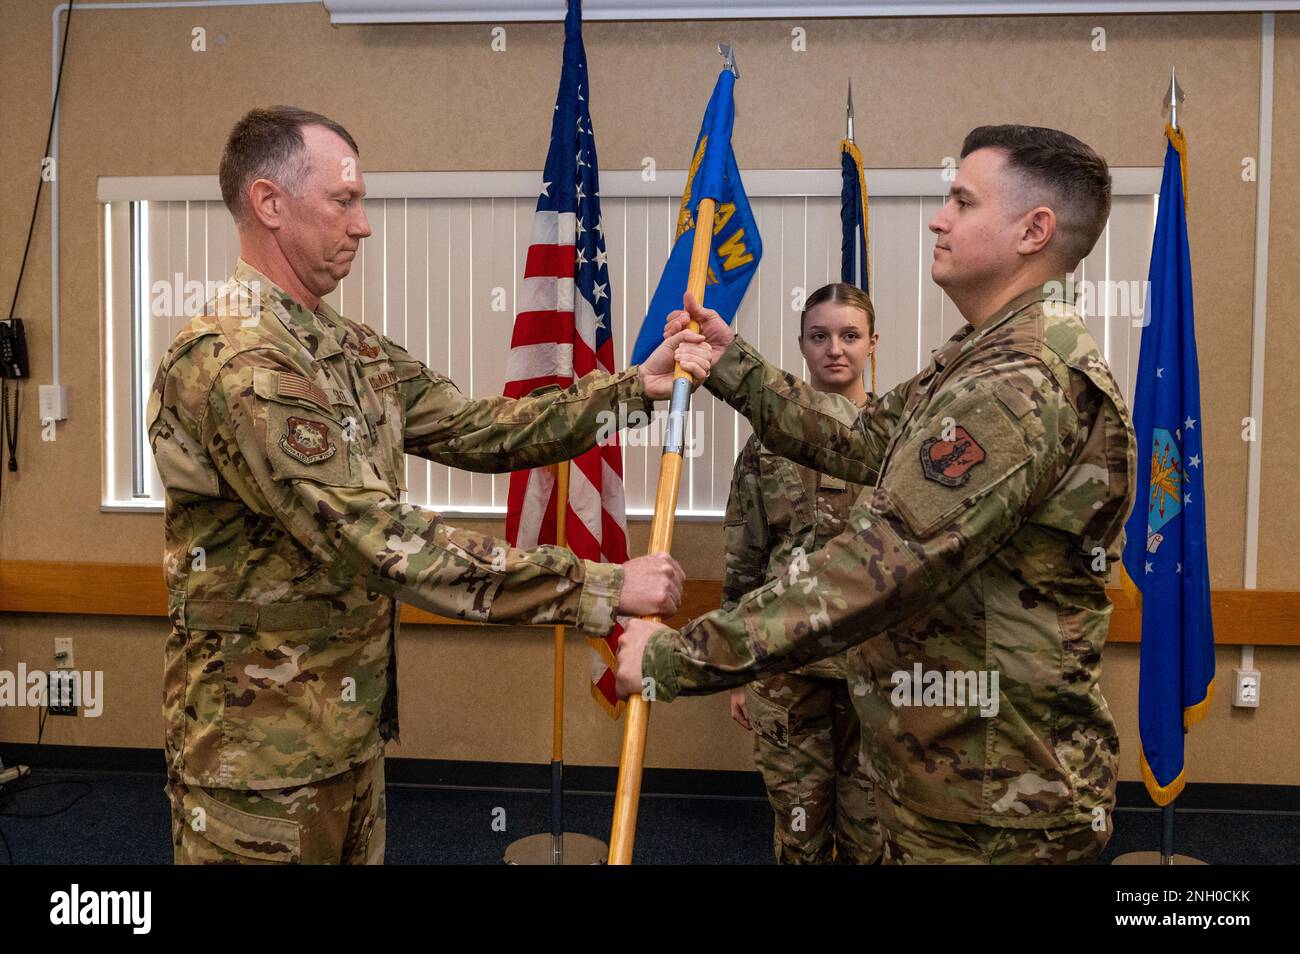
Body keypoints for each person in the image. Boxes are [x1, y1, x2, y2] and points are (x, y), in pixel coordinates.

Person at [148, 106, 711, 864]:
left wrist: (628, 391)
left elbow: (480, 426)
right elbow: (381, 542)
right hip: (256, 759)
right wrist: (600, 589)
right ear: (269, 203)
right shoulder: (240, 364)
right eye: (343, 201)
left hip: (344, 732)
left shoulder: (344, 347)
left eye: (362, 202)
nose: (363, 225)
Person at [617, 125, 1138, 864]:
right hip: (950, 771)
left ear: (1034, 230)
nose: (938, 217)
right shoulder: (978, 356)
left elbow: (874, 566)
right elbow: (859, 443)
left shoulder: (1017, 382)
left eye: (962, 200)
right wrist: (734, 364)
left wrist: (679, 658)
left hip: (992, 798)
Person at [723, 283, 880, 864]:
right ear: (802, 346)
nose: (835, 349)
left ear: (872, 344)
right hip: (786, 663)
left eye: (849, 335)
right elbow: (744, 557)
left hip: (875, 668)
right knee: (799, 837)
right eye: (820, 336)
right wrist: (740, 665)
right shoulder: (767, 445)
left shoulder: (900, 439)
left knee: (874, 837)